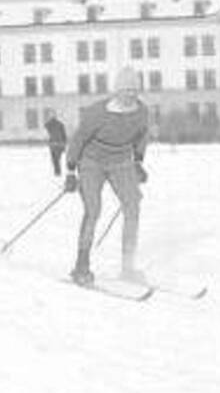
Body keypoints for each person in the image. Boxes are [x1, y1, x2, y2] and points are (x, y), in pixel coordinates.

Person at [65, 66, 149, 286]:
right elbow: (78, 139)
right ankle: (81, 266)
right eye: (126, 90)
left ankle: (127, 267)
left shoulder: (141, 111)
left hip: (121, 160)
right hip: (91, 161)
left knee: (133, 205)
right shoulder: (97, 112)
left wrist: (138, 161)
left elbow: (142, 135)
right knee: (93, 210)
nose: (131, 95)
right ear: (117, 91)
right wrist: (71, 170)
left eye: (134, 90)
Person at [44, 110, 67, 177]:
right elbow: (64, 135)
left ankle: (57, 172)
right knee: (56, 159)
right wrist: (64, 144)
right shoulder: (59, 124)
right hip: (56, 144)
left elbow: (63, 135)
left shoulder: (51, 124)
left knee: (55, 159)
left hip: (55, 144)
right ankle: (57, 171)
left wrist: (63, 144)